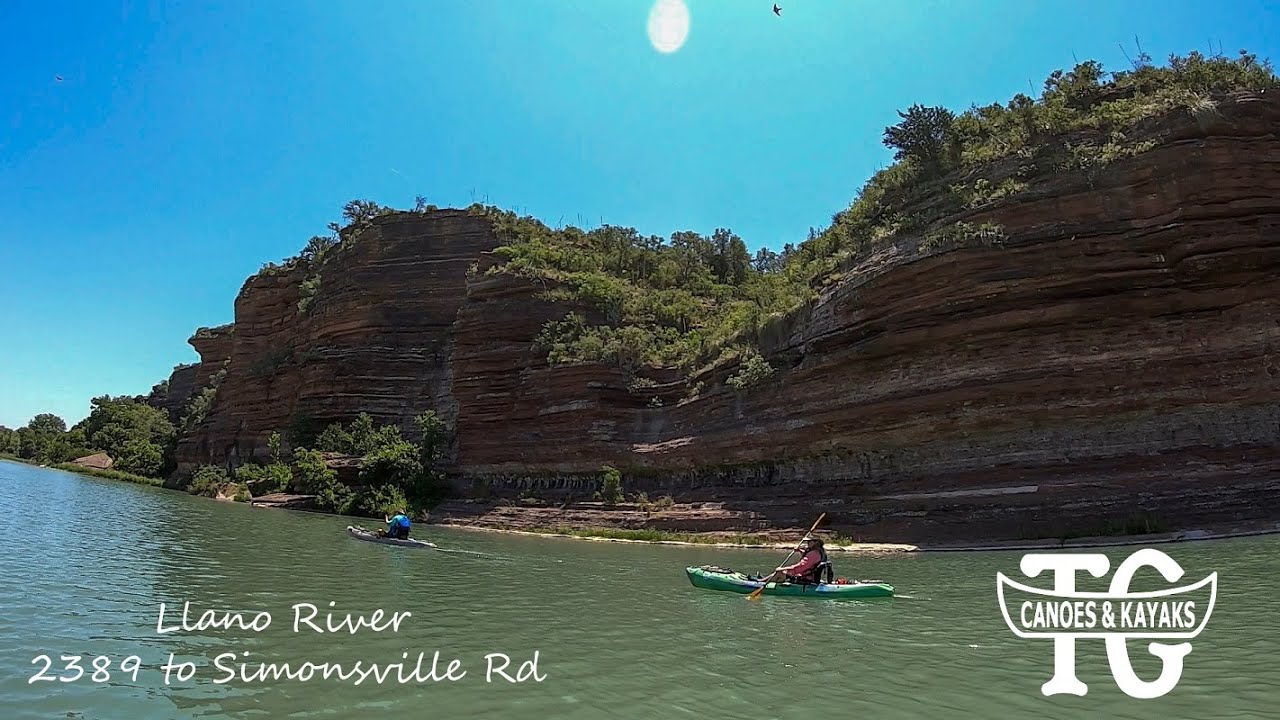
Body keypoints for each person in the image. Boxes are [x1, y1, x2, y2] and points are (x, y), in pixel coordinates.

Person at [757, 535, 832, 585]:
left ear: (816, 543)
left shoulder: (814, 553)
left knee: (780, 573)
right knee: (781, 572)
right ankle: (764, 580)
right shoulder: (818, 552)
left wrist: (783, 568)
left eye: (810, 541)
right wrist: (800, 551)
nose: (808, 543)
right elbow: (810, 561)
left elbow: (801, 567)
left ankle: (761, 583)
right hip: (810, 576)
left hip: (806, 578)